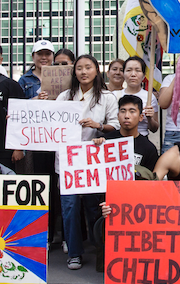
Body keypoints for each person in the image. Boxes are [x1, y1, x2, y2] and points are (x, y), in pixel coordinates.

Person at [56, 54, 120, 271]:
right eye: (79, 68)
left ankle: (100, 249)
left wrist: (98, 126)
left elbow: (115, 126)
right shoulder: (64, 97)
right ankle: (74, 253)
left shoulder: (107, 97)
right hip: (68, 160)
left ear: (96, 70)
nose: (83, 72)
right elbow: (51, 125)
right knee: (70, 206)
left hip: (94, 161)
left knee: (94, 207)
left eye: (88, 67)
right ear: (74, 72)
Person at [96, 95, 159, 171]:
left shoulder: (148, 149)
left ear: (141, 117)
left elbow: (150, 179)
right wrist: (96, 146)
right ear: (118, 116)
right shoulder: (105, 141)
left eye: (132, 111)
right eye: (123, 111)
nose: (126, 116)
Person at [112, 56, 159, 135]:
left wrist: (150, 118)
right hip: (119, 140)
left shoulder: (150, 97)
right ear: (123, 74)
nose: (133, 74)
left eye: (137, 70)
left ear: (143, 75)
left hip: (141, 140)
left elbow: (154, 129)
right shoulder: (114, 95)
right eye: (129, 70)